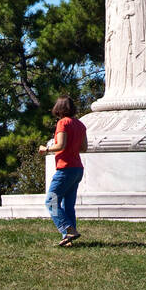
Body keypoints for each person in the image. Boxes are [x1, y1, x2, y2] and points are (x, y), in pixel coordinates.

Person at [39, 96, 88, 246]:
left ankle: (68, 229)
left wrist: (46, 149)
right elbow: (83, 148)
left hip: (65, 168)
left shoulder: (63, 123)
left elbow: (60, 145)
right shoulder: (80, 125)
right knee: (68, 205)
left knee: (51, 201)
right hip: (77, 169)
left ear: (58, 109)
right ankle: (68, 238)